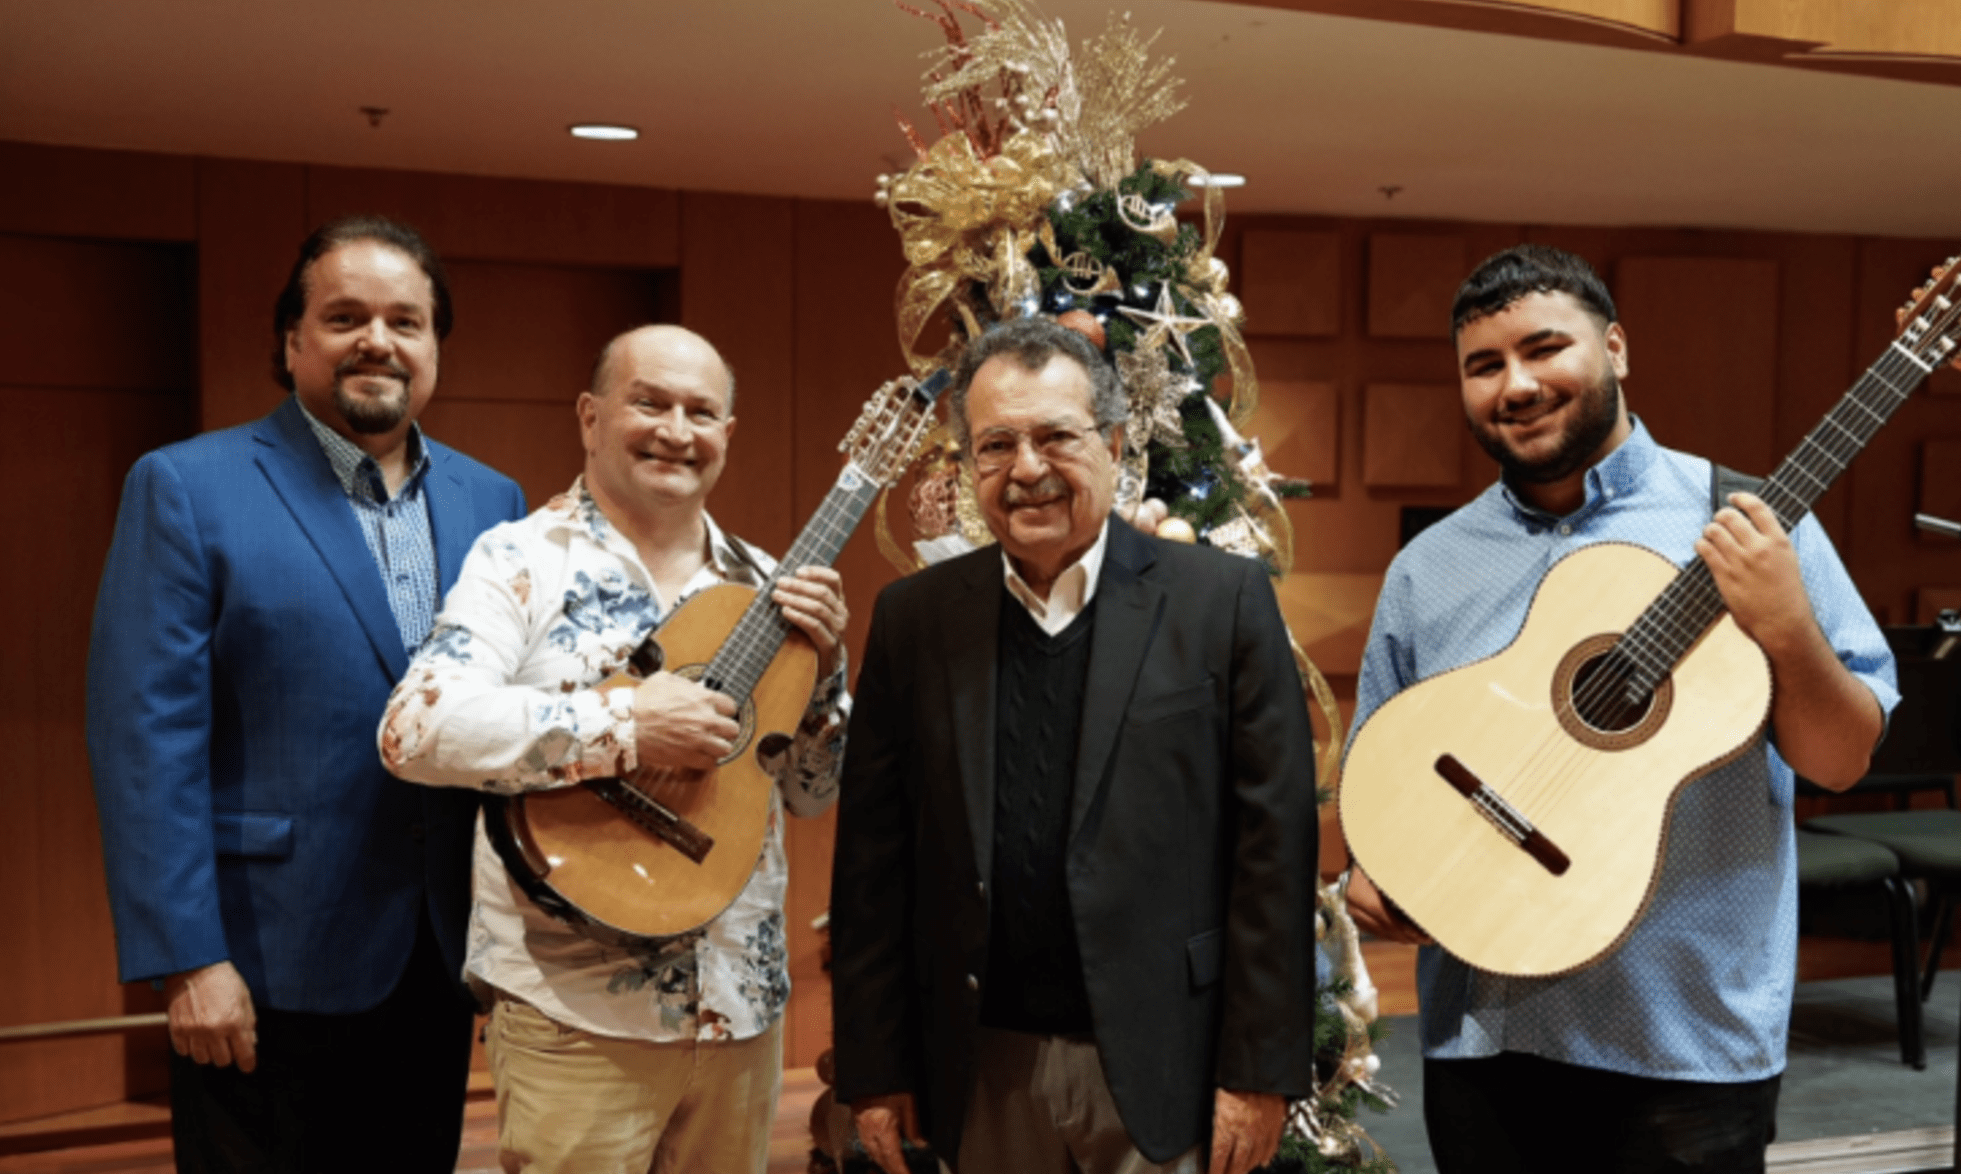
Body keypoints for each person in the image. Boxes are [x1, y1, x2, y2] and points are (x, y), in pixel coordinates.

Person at [1344, 244, 1898, 1173]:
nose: (1515, 385)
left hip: (1686, 1042)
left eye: (1543, 348)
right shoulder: (1429, 567)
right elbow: (1385, 771)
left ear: (1617, 348)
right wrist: (1373, 866)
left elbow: (1841, 758)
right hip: (1486, 1039)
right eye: (1484, 366)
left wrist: (1787, 623)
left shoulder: (1757, 525)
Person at [85, 215, 528, 1172]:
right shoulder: (186, 487)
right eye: (345, 317)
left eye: (406, 320)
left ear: (435, 346)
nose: (379, 339)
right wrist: (189, 960)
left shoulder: (494, 503)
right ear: (292, 343)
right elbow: (144, 740)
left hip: (437, 955)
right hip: (261, 964)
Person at [829, 317, 1319, 1174]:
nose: (1026, 470)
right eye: (996, 445)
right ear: (969, 462)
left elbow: (1273, 853)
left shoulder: (1221, 603)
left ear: (1118, 443)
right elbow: (873, 860)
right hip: (981, 1064)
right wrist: (876, 1066)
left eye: (1057, 436)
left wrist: (1260, 1068)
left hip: (1171, 1061)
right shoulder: (914, 620)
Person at [377, 324, 851, 1174]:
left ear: (728, 436)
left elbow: (812, 792)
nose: (677, 429)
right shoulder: (520, 560)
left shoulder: (767, 583)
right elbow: (414, 730)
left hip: (743, 1005)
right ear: (590, 418)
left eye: (701, 411)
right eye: (650, 403)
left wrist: (828, 674)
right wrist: (628, 727)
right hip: (576, 1015)